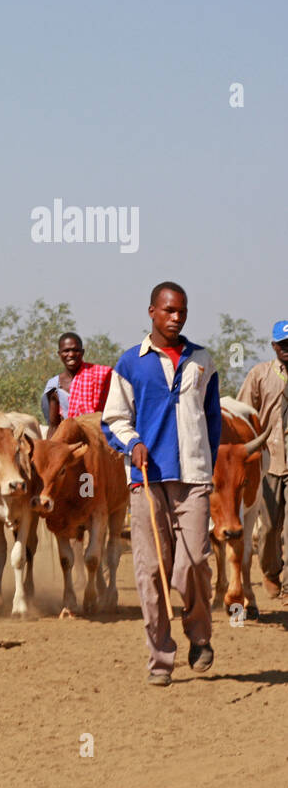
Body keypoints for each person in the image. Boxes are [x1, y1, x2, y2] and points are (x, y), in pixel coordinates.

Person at [102, 281, 221, 687]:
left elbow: (213, 420)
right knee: (151, 573)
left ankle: (200, 637)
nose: (176, 318)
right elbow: (114, 420)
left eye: (182, 311)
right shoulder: (130, 363)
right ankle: (160, 660)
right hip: (147, 479)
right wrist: (132, 443)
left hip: (192, 479)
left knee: (193, 564)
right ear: (151, 311)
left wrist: (209, 466)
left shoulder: (201, 359)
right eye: (169, 310)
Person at [236, 321, 288, 600]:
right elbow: (243, 414)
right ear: (274, 346)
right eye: (283, 344)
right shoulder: (260, 374)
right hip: (268, 460)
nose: (287, 349)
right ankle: (270, 571)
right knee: (268, 528)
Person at [46, 332, 114, 431]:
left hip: (99, 436)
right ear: (59, 354)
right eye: (66, 351)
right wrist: (50, 446)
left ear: (82, 352)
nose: (71, 354)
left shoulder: (101, 375)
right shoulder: (54, 386)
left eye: (75, 350)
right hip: (69, 439)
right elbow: (53, 426)